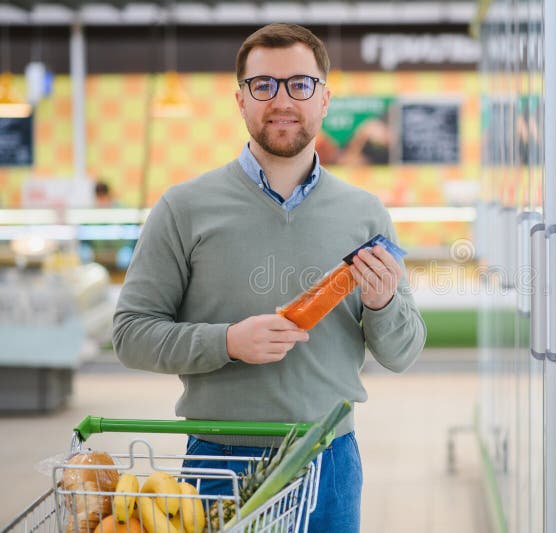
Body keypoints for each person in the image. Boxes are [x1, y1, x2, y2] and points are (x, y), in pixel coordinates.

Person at [112, 23, 426, 532]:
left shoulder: (365, 214)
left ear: (324, 99)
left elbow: (403, 353)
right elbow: (129, 335)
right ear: (240, 100)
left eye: (300, 84)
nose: (282, 100)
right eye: (264, 85)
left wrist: (383, 303)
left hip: (329, 458)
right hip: (219, 460)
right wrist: (228, 341)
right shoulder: (184, 207)